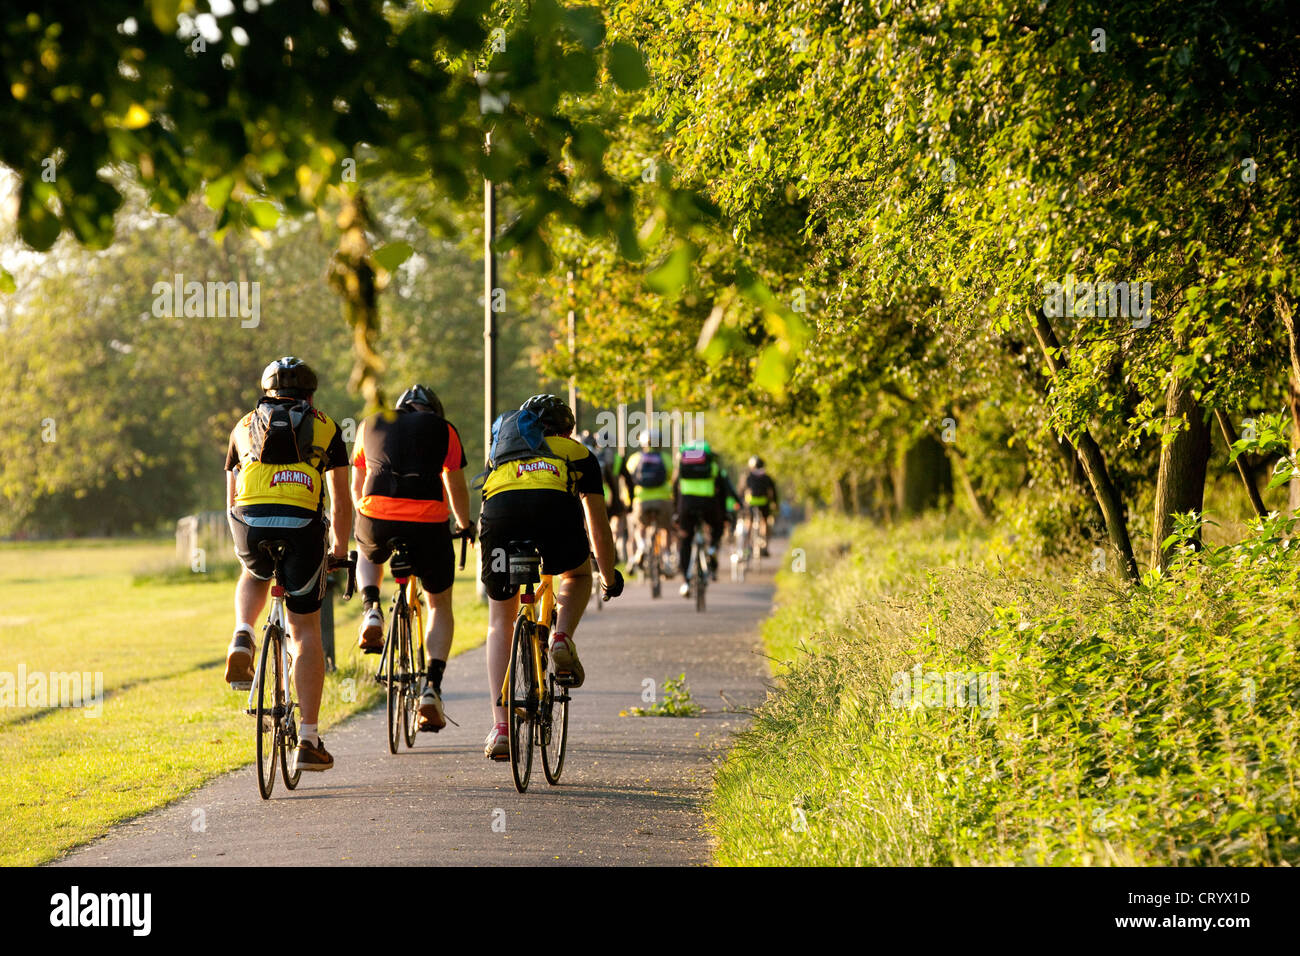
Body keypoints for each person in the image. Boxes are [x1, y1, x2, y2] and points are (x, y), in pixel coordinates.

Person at [223, 356, 351, 773]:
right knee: (305, 630)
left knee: (254, 571)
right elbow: (342, 499)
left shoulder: (242, 425)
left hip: (249, 523)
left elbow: (231, 499)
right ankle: (309, 740)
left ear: (266, 390)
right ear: (310, 394)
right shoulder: (327, 425)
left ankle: (242, 634)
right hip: (302, 527)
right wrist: (339, 552)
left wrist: (246, 540)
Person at [477, 395, 623, 759]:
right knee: (576, 575)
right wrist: (607, 576)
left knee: (500, 620)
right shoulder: (577, 453)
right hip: (553, 513)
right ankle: (560, 637)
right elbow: (598, 525)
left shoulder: (503, 449)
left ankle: (501, 728)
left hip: (500, 516)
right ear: (567, 429)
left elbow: (487, 498)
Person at [351, 385, 471, 731]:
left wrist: (367, 519)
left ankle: (371, 609)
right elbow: (456, 487)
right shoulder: (444, 429)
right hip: (428, 523)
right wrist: (465, 526)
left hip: (376, 515)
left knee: (367, 548)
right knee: (438, 603)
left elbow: (358, 487)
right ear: (433, 410)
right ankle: (432, 687)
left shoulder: (368, 424)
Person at [673, 439, 726, 597]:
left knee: (685, 540)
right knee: (717, 526)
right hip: (708, 505)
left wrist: (677, 511)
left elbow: (676, 490)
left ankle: (686, 581)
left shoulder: (681, 467)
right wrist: (722, 514)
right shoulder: (714, 467)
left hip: (686, 506)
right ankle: (711, 549)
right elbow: (722, 492)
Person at [622, 429, 674, 575]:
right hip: (662, 499)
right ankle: (667, 558)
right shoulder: (665, 457)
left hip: (641, 500)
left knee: (640, 527)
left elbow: (629, 482)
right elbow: (671, 477)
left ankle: (642, 546)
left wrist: (629, 502)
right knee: (666, 529)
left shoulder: (635, 458)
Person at [743, 455, 779, 556]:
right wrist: (775, 503)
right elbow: (773, 492)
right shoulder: (767, 477)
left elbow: (742, 490)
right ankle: (765, 546)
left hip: (751, 503)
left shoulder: (748, 476)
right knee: (764, 522)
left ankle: (747, 546)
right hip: (764, 503)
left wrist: (741, 502)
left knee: (749, 522)